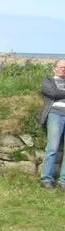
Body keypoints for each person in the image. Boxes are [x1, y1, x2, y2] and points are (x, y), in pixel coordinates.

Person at [39, 58, 65, 190]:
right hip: (55, 114)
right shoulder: (48, 81)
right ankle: (46, 179)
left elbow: (57, 95)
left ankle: (63, 182)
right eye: (61, 67)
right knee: (52, 148)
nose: (63, 69)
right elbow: (53, 93)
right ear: (54, 68)